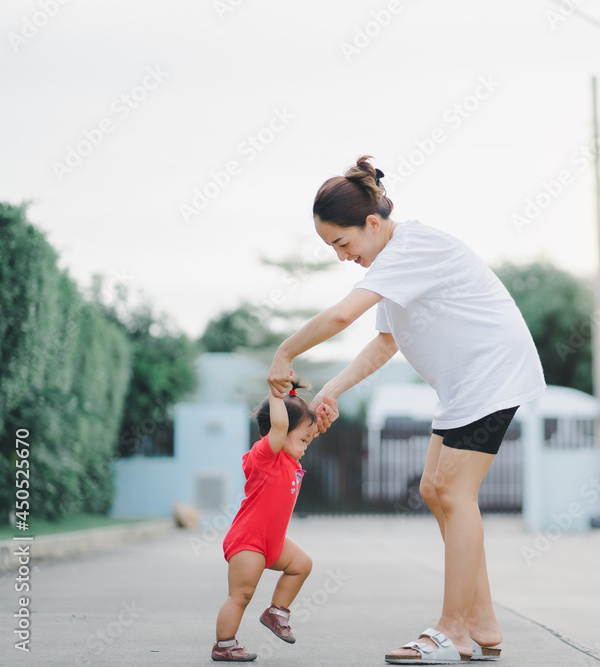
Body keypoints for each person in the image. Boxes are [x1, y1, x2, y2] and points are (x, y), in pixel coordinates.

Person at [266, 155, 545, 664]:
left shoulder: (412, 248)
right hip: (464, 386)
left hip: (492, 374)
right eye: (332, 248)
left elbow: (343, 315)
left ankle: (453, 629)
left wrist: (286, 352)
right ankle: (482, 621)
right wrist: (333, 389)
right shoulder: (391, 263)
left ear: (372, 224)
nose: (342, 256)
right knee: (433, 490)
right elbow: (386, 342)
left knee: (454, 492)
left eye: (343, 243)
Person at [212, 379, 318, 662]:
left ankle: (276, 613)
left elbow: (306, 427)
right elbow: (281, 426)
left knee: (302, 564)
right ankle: (224, 644)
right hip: (249, 541)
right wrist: (277, 392)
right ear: (276, 431)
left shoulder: (290, 460)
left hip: (273, 542)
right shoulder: (266, 455)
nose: (306, 446)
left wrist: (319, 410)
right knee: (242, 595)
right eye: (303, 440)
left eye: (308, 441)